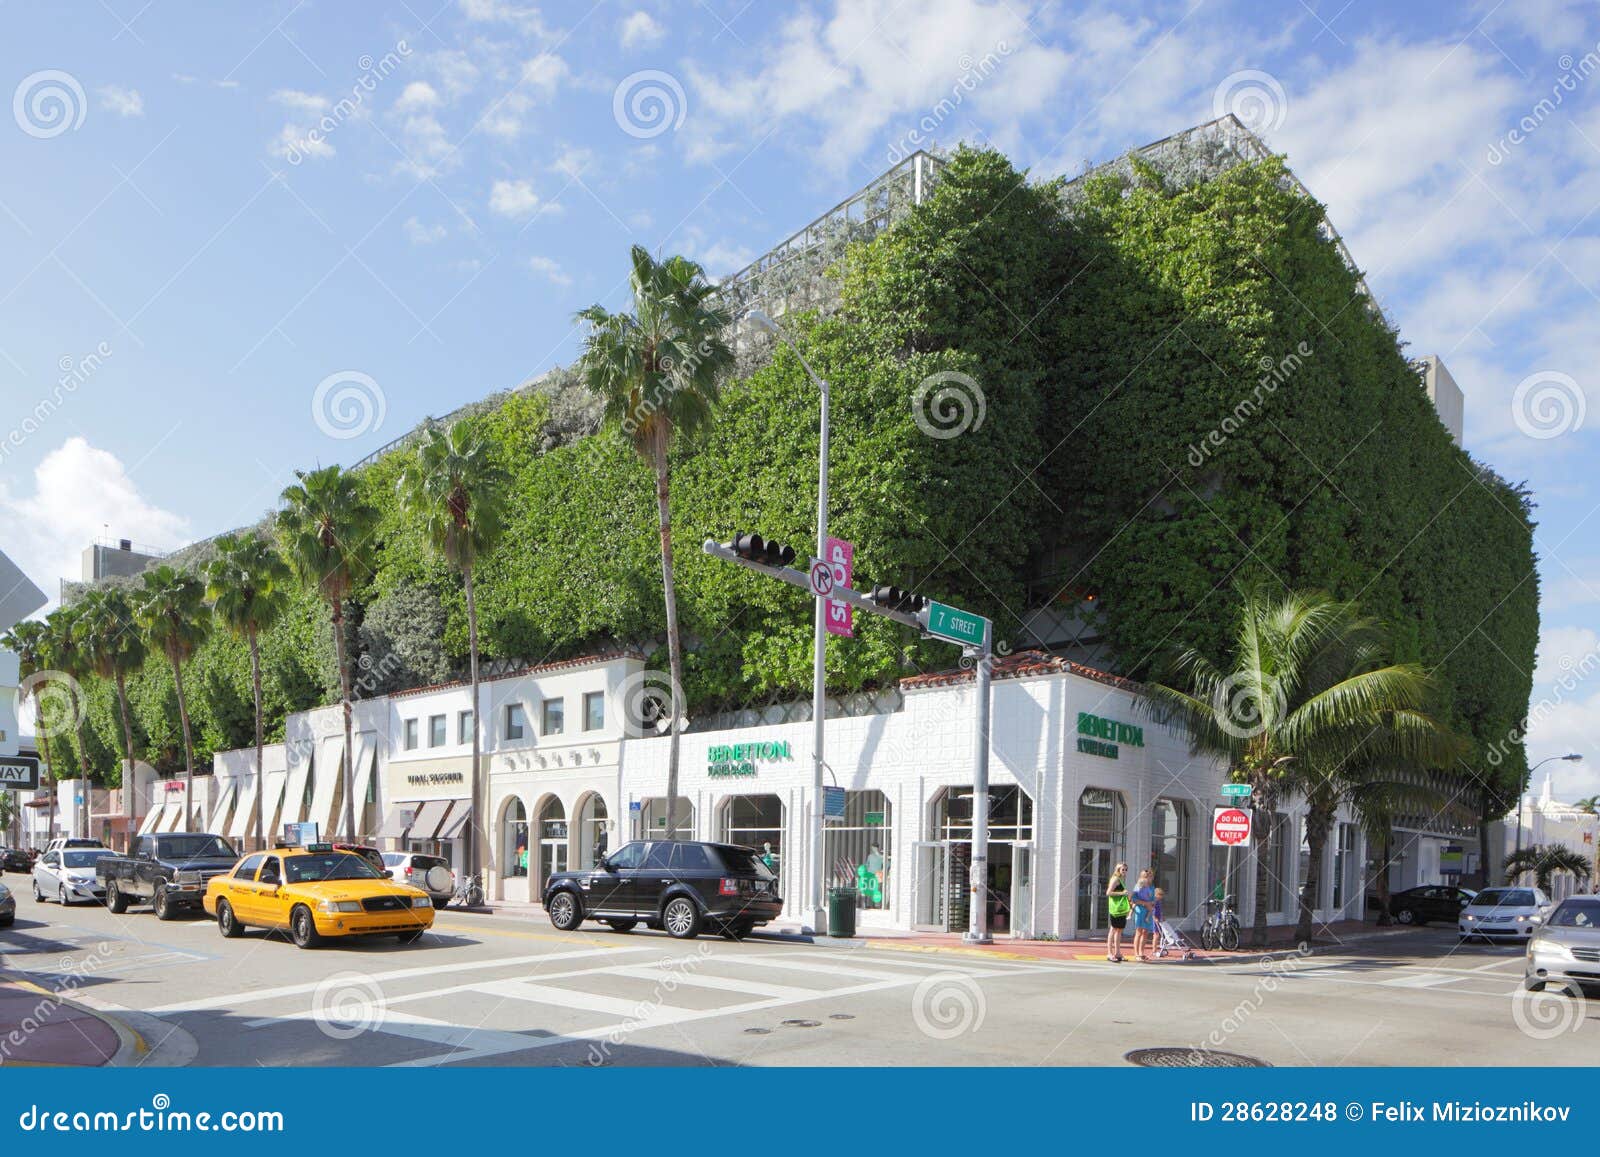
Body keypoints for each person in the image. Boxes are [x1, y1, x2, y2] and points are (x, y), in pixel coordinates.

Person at [1105, 863, 1131, 961]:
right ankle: (1109, 953)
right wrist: (1122, 893)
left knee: (1119, 930)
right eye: (1123, 869)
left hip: (1121, 909)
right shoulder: (1115, 879)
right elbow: (1108, 892)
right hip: (1115, 909)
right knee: (1113, 929)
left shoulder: (1120, 879)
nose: (1124, 871)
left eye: (1126, 869)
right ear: (1118, 870)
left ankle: (1118, 953)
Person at [1130, 870, 1158, 960]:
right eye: (1148, 876)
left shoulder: (1152, 887)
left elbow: (1153, 898)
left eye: (1151, 876)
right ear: (1143, 877)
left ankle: (1142, 952)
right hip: (1140, 908)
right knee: (1139, 931)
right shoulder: (1139, 885)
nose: (1150, 878)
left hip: (1148, 909)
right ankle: (1136, 953)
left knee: (1145, 932)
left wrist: (1153, 902)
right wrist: (1144, 903)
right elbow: (1133, 898)